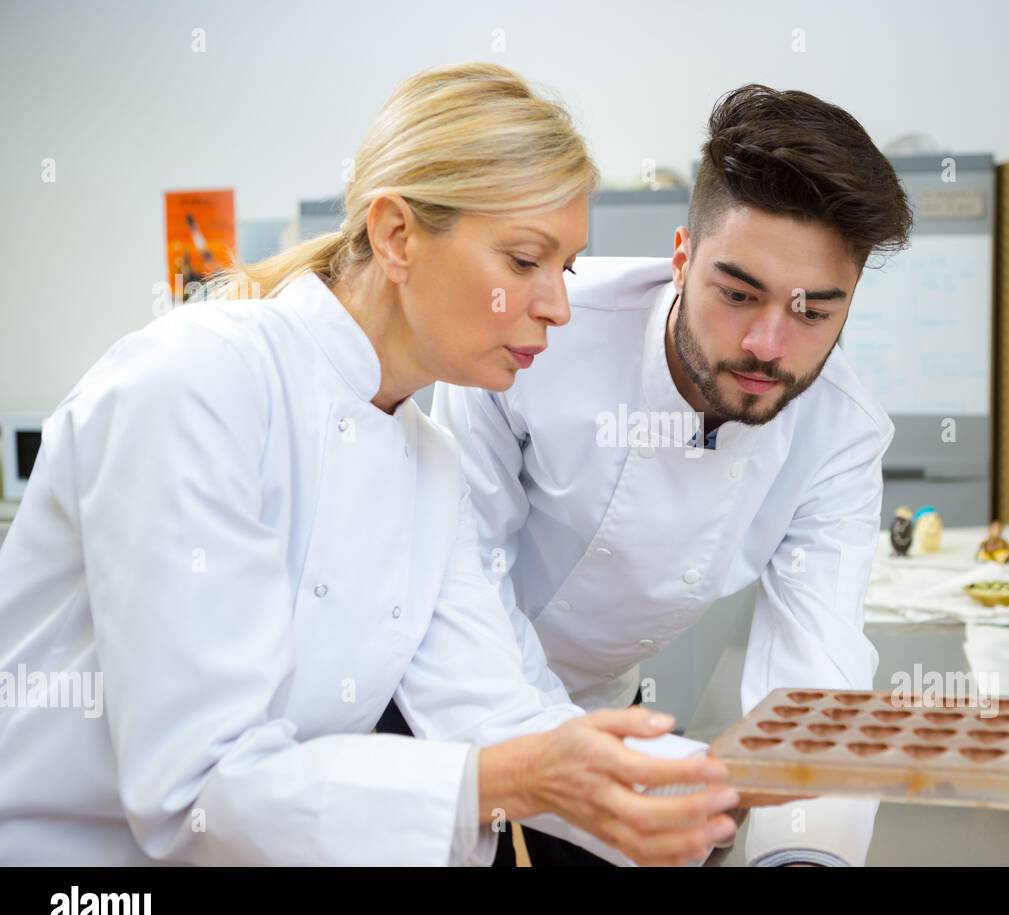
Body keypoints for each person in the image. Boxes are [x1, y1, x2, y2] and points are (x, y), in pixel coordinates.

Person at [0, 63, 737, 866]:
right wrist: (512, 779)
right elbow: (200, 791)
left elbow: (494, 711)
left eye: (563, 269)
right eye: (525, 261)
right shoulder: (197, 384)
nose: (558, 305)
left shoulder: (430, 461)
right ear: (396, 236)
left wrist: (741, 782)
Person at [419, 84, 912, 865]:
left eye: (815, 312)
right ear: (682, 257)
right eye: (737, 294)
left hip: (603, 713)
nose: (768, 345)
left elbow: (816, 675)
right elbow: (457, 576)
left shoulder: (840, 432)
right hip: (435, 693)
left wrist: (803, 852)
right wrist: (543, 754)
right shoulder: (537, 333)